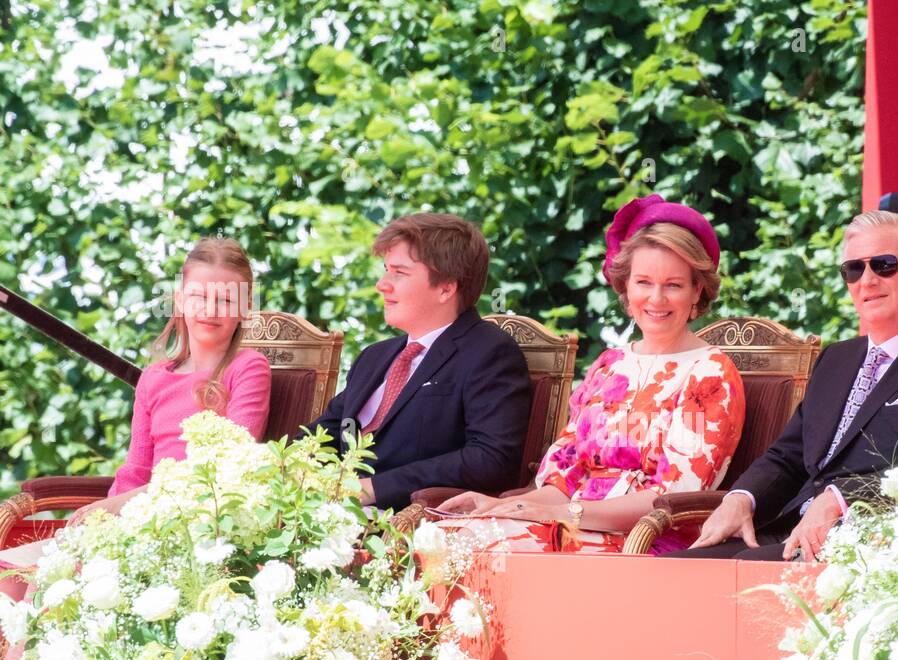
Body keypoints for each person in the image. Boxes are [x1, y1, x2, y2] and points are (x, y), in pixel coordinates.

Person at [434, 195, 745, 554]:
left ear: (697, 291)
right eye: (643, 282)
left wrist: (563, 514)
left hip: (648, 539)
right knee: (451, 536)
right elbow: (564, 478)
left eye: (673, 285)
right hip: (573, 525)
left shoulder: (710, 375)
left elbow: (671, 499)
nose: (656, 299)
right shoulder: (609, 364)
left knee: (487, 547)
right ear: (626, 288)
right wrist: (506, 508)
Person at [670, 209, 898, 562]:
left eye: (883, 264)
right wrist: (741, 497)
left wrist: (841, 497)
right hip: (787, 526)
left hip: (866, 539)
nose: (867, 280)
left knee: (723, 582)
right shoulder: (837, 358)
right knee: (673, 573)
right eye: (854, 269)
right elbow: (788, 456)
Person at [0, 237, 272, 597]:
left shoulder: (248, 368)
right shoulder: (155, 378)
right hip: (130, 513)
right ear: (179, 300)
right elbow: (136, 470)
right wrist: (105, 518)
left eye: (225, 300)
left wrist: (114, 509)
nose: (211, 309)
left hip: (194, 521)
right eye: (199, 296)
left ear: (244, 307)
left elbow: (227, 469)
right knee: (13, 579)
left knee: (49, 587)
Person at [306, 213, 531, 510]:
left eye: (399, 272)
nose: (382, 284)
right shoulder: (374, 357)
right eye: (386, 270)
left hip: (413, 525)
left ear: (446, 287)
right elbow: (322, 436)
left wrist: (373, 488)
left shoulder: (490, 352)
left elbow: (490, 460)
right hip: (329, 517)